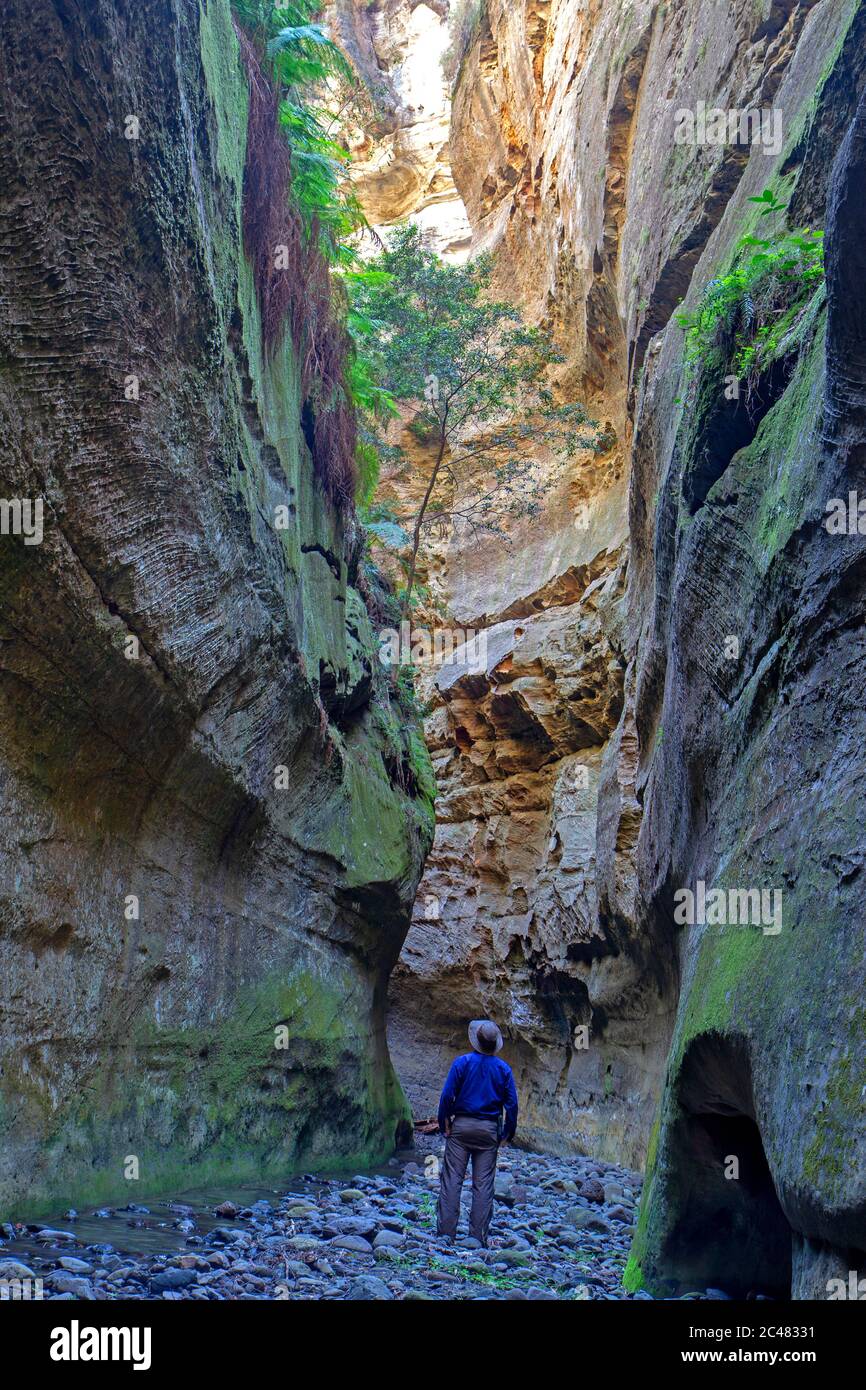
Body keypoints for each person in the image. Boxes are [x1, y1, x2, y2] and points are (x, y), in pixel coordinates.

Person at [435, 1019, 518, 1247]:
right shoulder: (503, 1070)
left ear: (476, 1041)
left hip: (461, 1127)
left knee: (452, 1180)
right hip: (489, 1130)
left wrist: (445, 1123)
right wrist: (507, 1134)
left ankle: (446, 1233)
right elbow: (511, 1106)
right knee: (483, 1184)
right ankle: (476, 1236)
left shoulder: (461, 1063)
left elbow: (447, 1095)